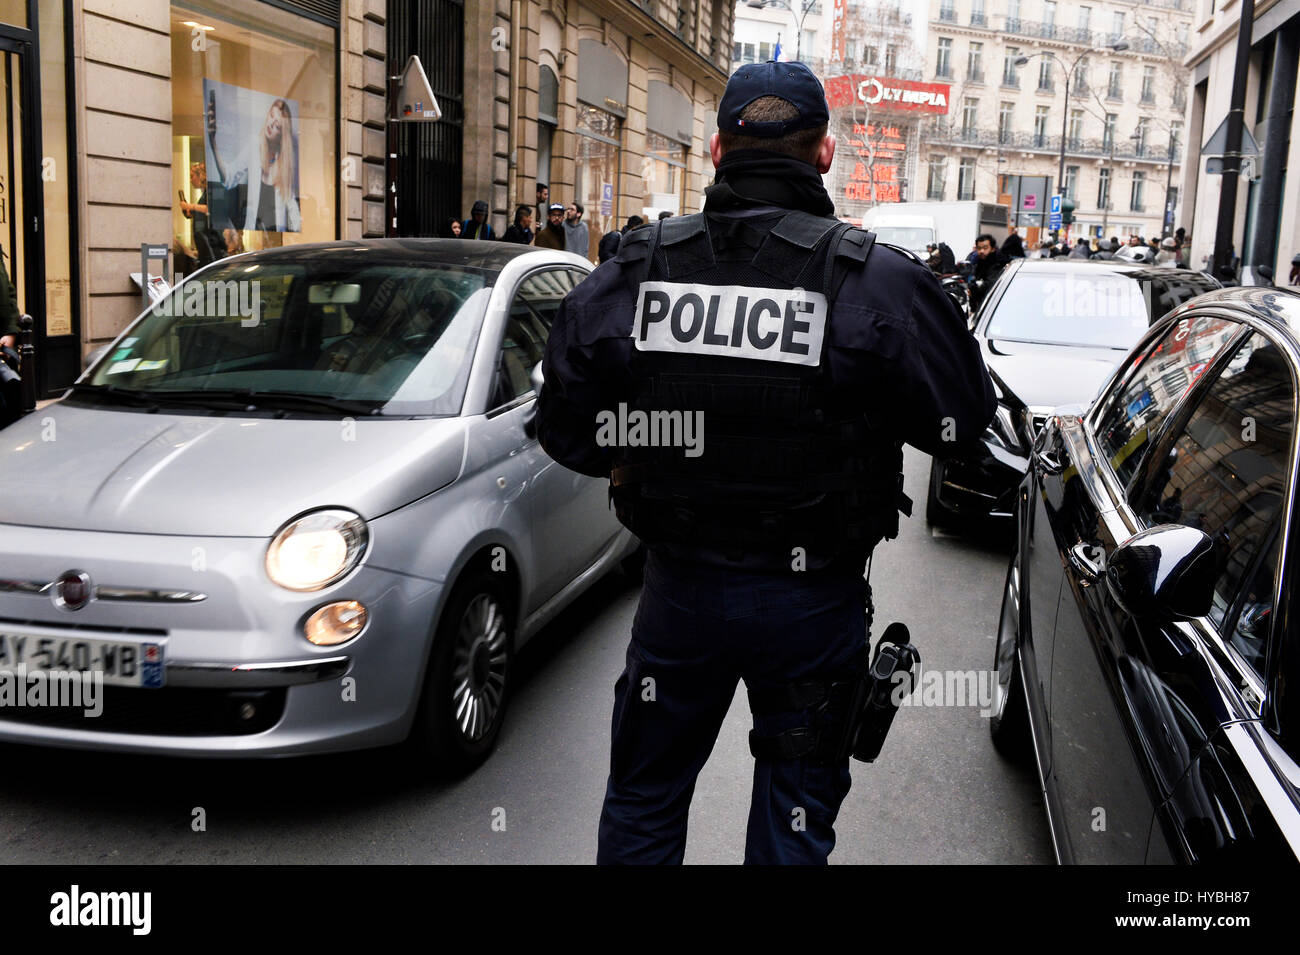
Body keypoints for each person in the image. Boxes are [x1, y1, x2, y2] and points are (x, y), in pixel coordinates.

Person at [536, 60, 996, 865]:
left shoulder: (639, 272)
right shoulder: (877, 282)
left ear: (717, 149)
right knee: (792, 825)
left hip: (679, 594)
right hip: (812, 607)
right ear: (823, 154)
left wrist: (665, 436)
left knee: (644, 798)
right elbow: (963, 426)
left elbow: (567, 428)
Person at [216, 98, 302, 233]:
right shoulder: (254, 145)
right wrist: (213, 143)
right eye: (271, 116)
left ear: (282, 136)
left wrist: (295, 232)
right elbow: (229, 178)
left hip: (276, 240)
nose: (270, 125)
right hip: (253, 237)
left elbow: (294, 214)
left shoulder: (283, 167)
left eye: (277, 126)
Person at [179, 161, 225, 268]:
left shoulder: (214, 189)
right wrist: (192, 212)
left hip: (211, 244)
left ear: (201, 175)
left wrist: (190, 206)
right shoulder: (206, 193)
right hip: (205, 245)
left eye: (192, 176)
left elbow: (212, 209)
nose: (190, 180)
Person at [969, 233, 1009, 312]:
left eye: (985, 248)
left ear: (993, 249)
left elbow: (990, 284)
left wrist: (975, 288)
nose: (981, 251)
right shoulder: (979, 262)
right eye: (979, 248)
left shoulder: (998, 262)